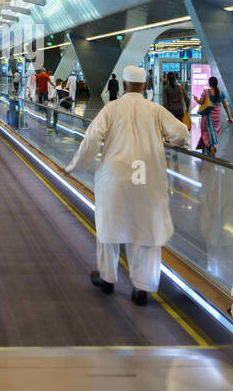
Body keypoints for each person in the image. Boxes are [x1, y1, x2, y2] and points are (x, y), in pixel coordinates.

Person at [65, 65, 191, 305]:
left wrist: (74, 167)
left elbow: (91, 140)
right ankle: (141, 287)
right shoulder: (155, 110)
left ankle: (108, 278)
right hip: (146, 179)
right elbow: (182, 134)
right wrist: (168, 138)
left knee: (109, 229)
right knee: (145, 231)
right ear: (144, 86)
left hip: (114, 179)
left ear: (123, 85)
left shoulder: (111, 109)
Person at [193, 76, 232, 155]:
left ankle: (210, 147)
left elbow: (200, 102)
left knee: (205, 131)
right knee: (214, 131)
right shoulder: (221, 93)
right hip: (217, 117)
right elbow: (225, 106)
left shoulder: (206, 92)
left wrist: (196, 99)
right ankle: (212, 145)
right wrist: (229, 117)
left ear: (209, 83)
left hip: (207, 115)